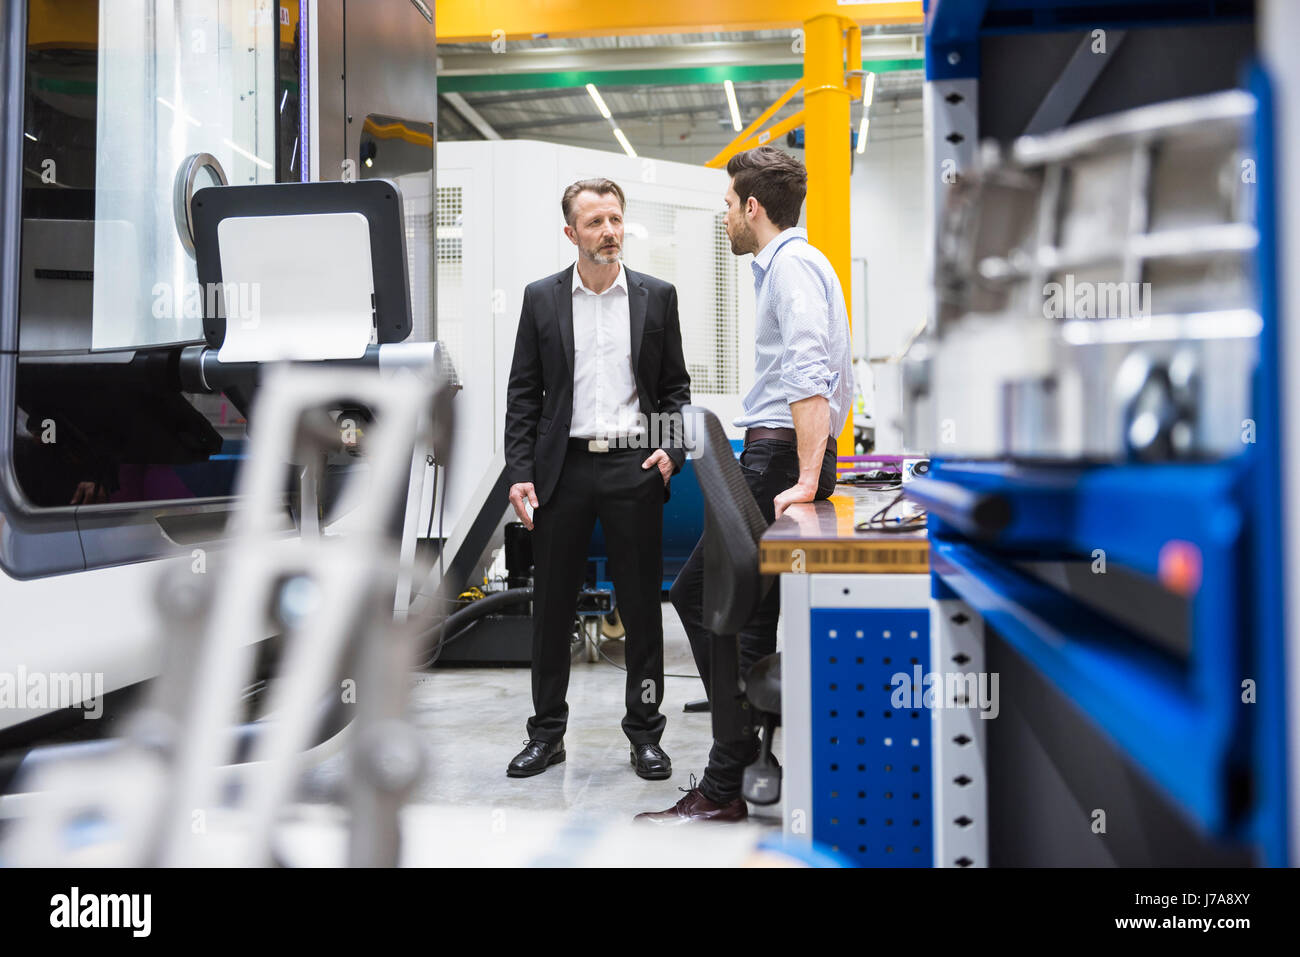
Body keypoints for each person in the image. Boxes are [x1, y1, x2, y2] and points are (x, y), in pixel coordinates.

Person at [636, 146, 851, 823]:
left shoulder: (789, 268)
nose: (724, 217)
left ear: (752, 207)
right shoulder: (795, 266)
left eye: (727, 205)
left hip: (779, 461)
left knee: (697, 592)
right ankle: (737, 768)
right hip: (780, 457)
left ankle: (732, 758)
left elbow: (809, 373)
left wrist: (808, 477)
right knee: (751, 616)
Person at [503, 177, 691, 780]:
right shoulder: (541, 299)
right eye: (595, 223)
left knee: (641, 606)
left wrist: (672, 451)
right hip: (563, 469)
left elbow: (675, 389)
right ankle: (547, 734)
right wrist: (520, 472)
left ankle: (645, 735)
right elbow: (524, 394)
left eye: (615, 219)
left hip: (633, 464)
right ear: (571, 233)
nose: (609, 232)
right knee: (551, 607)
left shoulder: (657, 296)